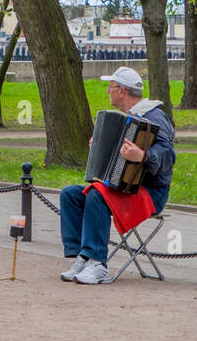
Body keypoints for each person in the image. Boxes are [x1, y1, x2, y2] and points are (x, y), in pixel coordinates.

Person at [59, 67, 175, 285]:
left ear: (122, 91)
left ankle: (98, 263)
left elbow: (168, 155)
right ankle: (82, 256)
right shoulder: (126, 118)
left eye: (110, 87)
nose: (107, 91)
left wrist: (142, 155)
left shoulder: (155, 116)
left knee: (97, 194)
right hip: (122, 189)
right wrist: (99, 145)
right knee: (70, 195)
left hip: (150, 192)